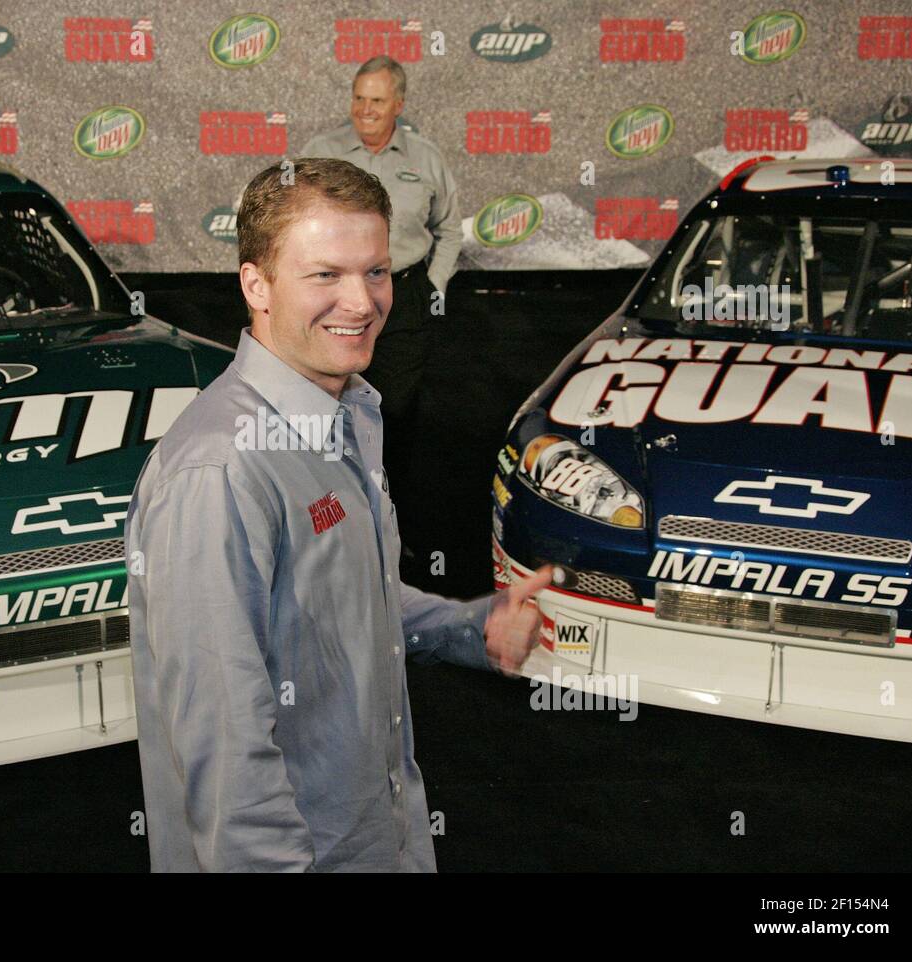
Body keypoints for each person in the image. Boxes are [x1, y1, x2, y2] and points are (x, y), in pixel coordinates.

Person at [124, 158, 550, 872]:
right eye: (325, 275)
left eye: (376, 272)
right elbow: (228, 757)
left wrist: (472, 626)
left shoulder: (348, 412)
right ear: (255, 284)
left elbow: (343, 599)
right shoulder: (219, 473)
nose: (361, 302)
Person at [301, 55, 461, 533]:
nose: (364, 110)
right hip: (330, 298)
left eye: (376, 100)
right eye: (358, 98)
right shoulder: (319, 152)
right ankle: (326, 524)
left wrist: (433, 286)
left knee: (392, 417)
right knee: (324, 411)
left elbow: (449, 229)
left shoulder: (426, 156)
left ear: (399, 104)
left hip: (403, 300)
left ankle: (388, 529)